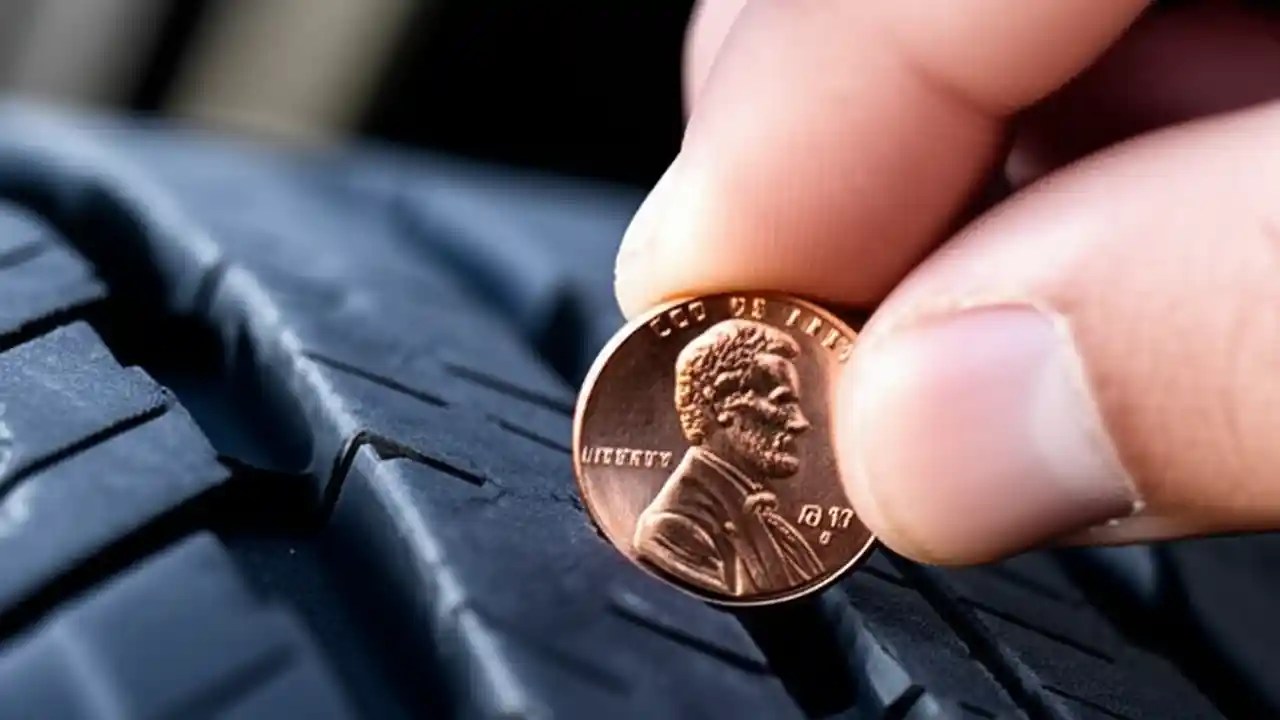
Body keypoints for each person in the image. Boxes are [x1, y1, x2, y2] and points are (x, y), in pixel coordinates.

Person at [613, 2, 1280, 565]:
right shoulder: (683, 531)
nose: (800, 416)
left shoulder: (763, 525)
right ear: (726, 410)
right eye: (778, 402)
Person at [633, 319, 822, 596]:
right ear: (722, 406)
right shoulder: (672, 527)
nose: (800, 422)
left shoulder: (758, 512)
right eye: (782, 402)